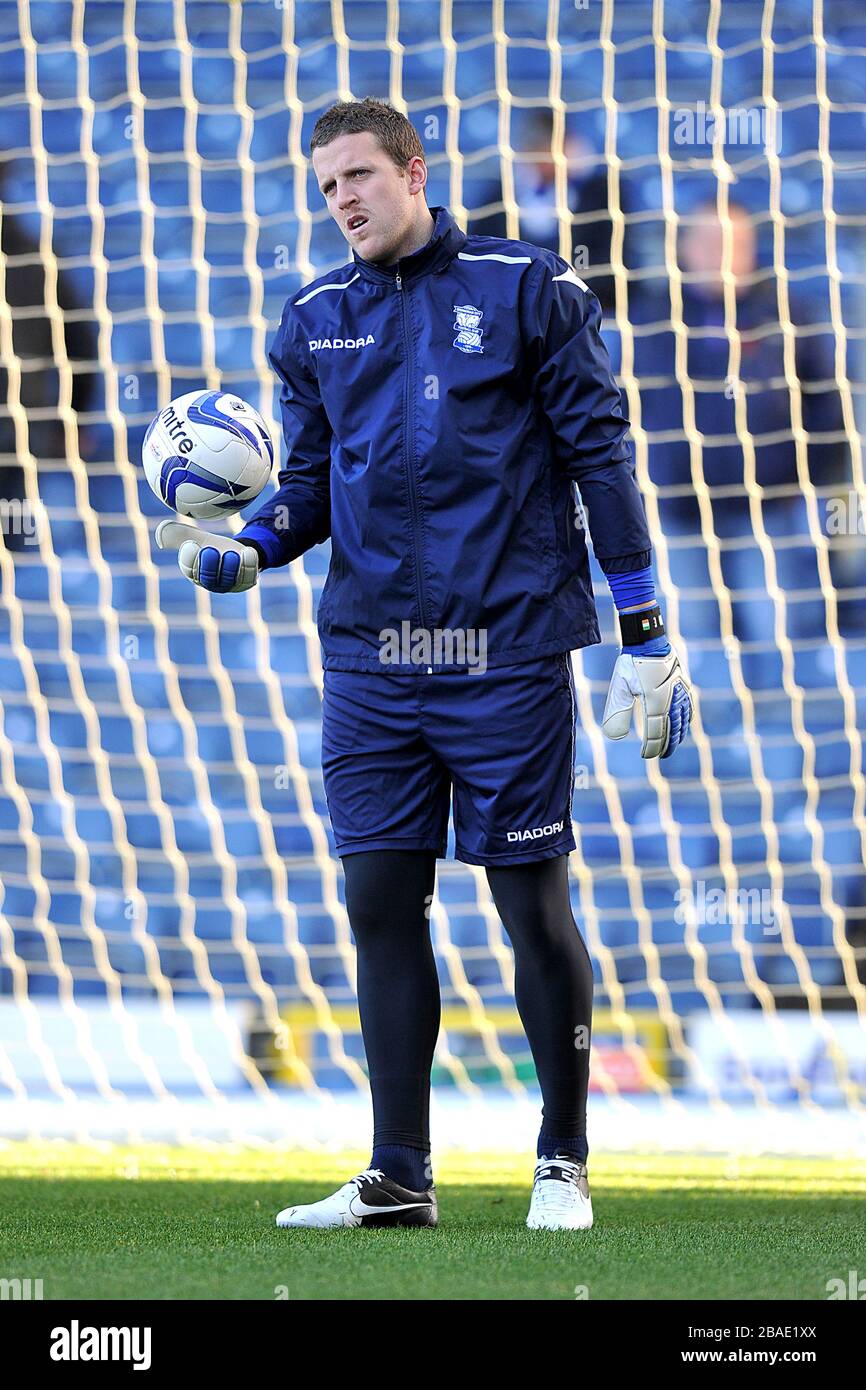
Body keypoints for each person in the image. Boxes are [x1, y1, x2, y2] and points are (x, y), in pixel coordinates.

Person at [157, 98, 692, 1232]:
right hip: (368, 660)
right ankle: (398, 1174)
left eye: (357, 176)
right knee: (375, 902)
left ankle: (560, 1160)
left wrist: (643, 632)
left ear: (414, 170)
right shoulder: (311, 320)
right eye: (324, 187)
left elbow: (599, 457)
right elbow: (307, 485)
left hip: (504, 653)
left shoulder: (527, 287)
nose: (341, 199)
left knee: (526, 906)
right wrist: (249, 550)